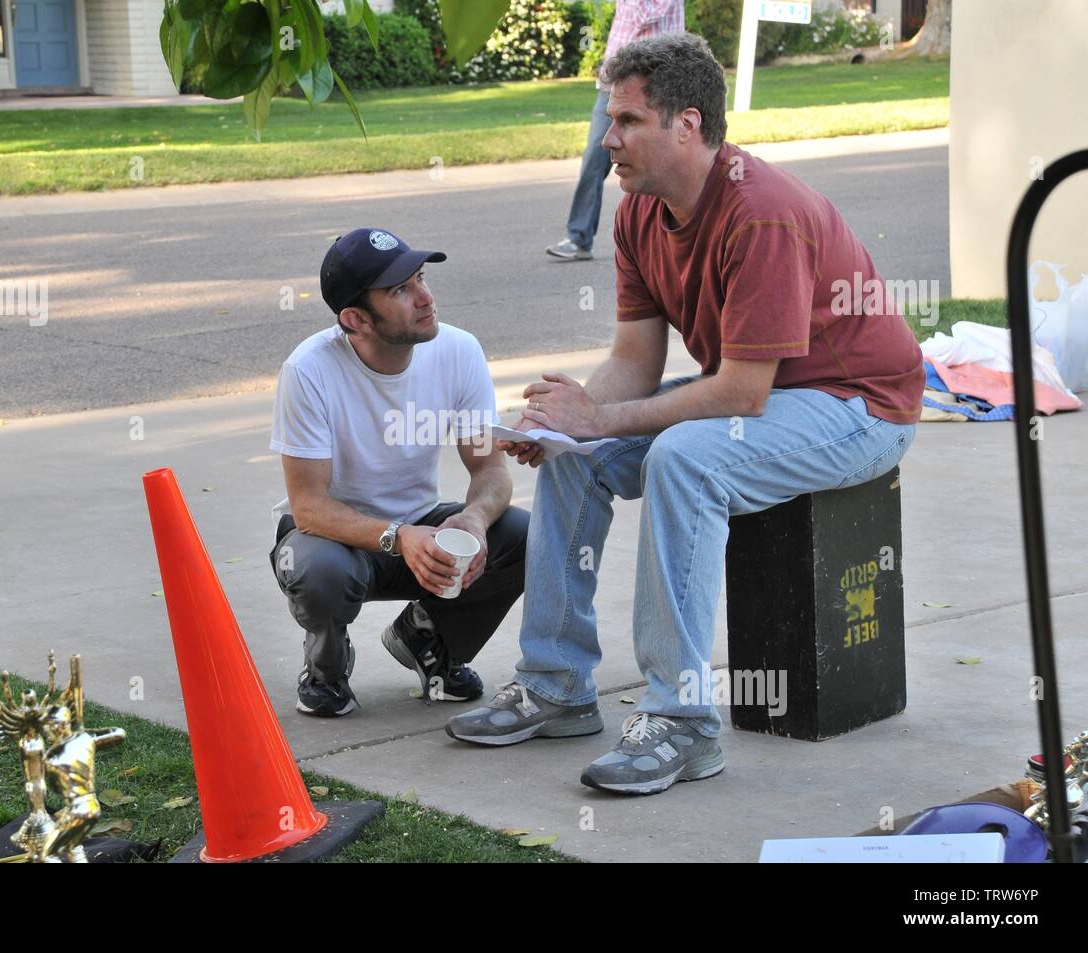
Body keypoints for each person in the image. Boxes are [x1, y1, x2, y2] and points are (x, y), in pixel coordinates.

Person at [448, 35, 926, 795]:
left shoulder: (762, 213)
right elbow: (635, 360)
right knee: (577, 452)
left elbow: (739, 394)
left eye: (627, 121)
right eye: (610, 120)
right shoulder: (639, 213)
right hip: (762, 392)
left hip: (859, 405)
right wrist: (569, 419)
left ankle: (682, 722)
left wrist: (602, 417)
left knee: (686, 458)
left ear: (689, 125)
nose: (608, 140)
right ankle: (556, 683)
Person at [269, 227, 529, 717]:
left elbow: (489, 467)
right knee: (319, 570)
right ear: (354, 318)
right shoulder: (308, 371)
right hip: (331, 538)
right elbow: (308, 507)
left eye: (421, 278)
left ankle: (429, 639)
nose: (425, 298)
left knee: (522, 534)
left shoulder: (458, 350)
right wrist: (399, 536)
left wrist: (474, 518)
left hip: (418, 527)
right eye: (400, 291)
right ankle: (325, 663)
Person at [545, 0, 683, 262]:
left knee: (654, 163)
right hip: (614, 85)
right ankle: (579, 239)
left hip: (655, 88)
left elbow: (646, 14)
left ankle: (662, 242)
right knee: (595, 156)